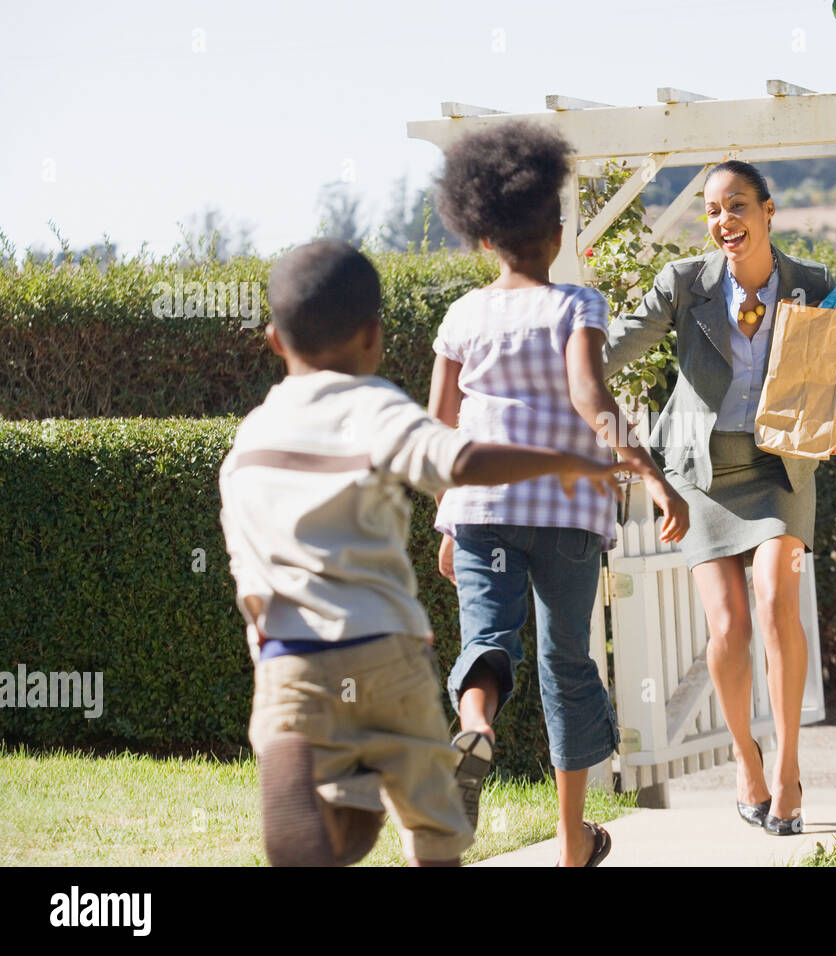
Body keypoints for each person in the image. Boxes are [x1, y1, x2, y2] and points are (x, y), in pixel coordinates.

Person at [219, 239, 622, 867]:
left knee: (310, 830)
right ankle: (402, 802)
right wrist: (566, 461)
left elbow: (247, 565)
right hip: (387, 652)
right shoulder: (374, 407)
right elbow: (458, 459)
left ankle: (343, 785)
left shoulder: (248, 443)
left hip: (288, 659)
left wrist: (271, 655)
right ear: (373, 335)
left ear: (274, 339)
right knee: (435, 832)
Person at [429, 121, 689, 866]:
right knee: (567, 660)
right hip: (569, 512)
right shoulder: (577, 303)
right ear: (557, 231)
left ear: (482, 239)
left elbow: (438, 428)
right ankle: (573, 839)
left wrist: (451, 521)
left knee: (487, 641)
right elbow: (589, 395)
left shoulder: (461, 316)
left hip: (480, 508)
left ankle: (474, 726)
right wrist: (652, 475)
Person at [603, 160, 836, 835]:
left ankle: (787, 769)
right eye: (712, 211)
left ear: (767, 212)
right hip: (700, 476)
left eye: (736, 206)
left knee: (773, 598)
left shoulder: (815, 286)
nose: (724, 221)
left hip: (778, 472)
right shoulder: (683, 283)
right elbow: (617, 347)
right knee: (728, 627)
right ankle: (746, 759)